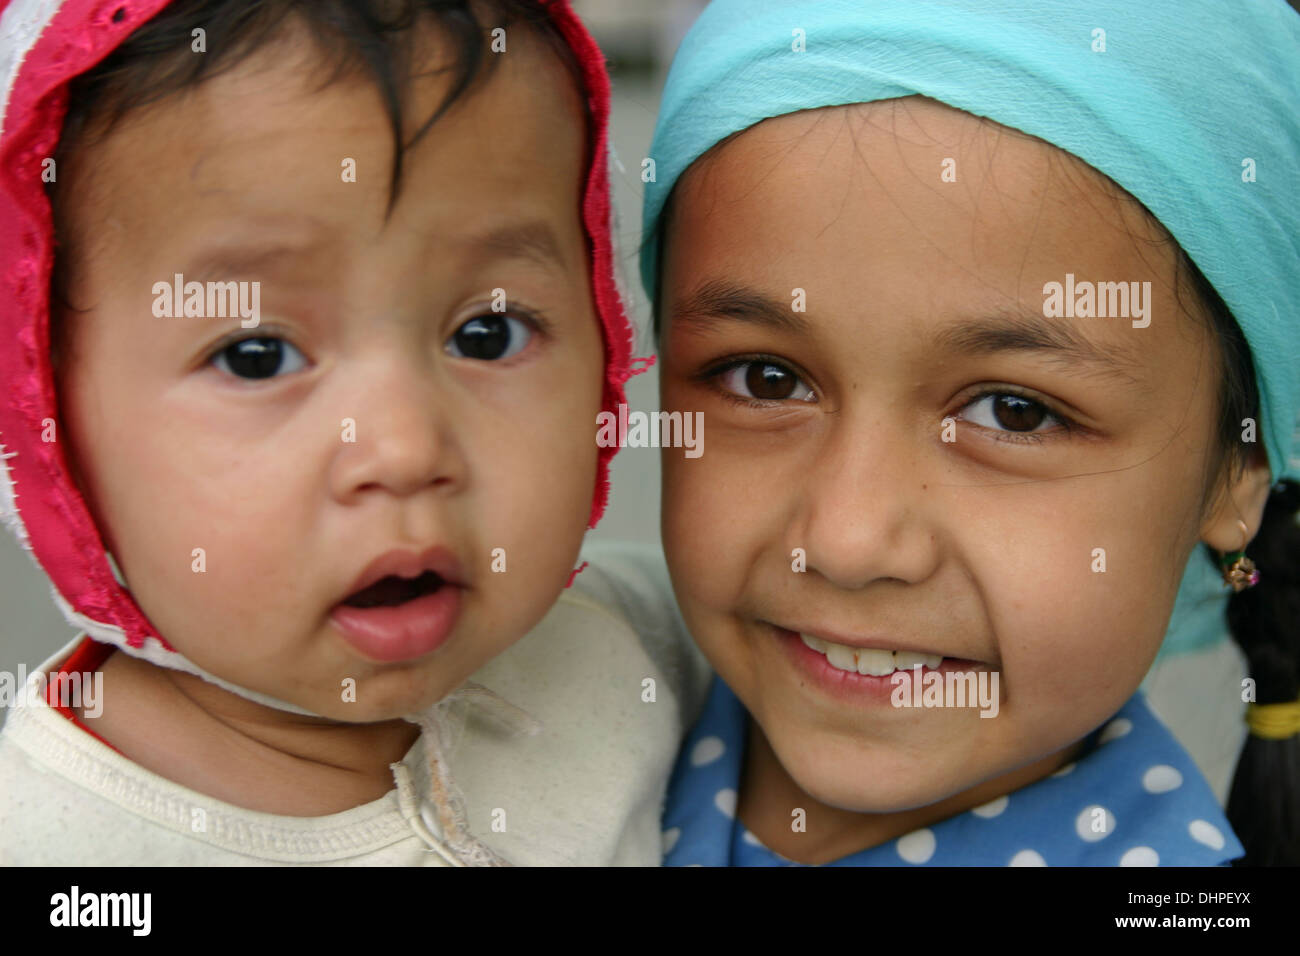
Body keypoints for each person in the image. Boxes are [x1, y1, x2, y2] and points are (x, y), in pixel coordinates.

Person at [0, 0, 709, 866]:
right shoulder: (52, 847)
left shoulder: (648, 641)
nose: (406, 451)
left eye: (488, 334)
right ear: (48, 421)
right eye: (257, 355)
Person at [643, 0, 1300, 865]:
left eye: (1014, 411)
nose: (846, 540)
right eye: (766, 379)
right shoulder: (552, 696)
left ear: (1238, 468)